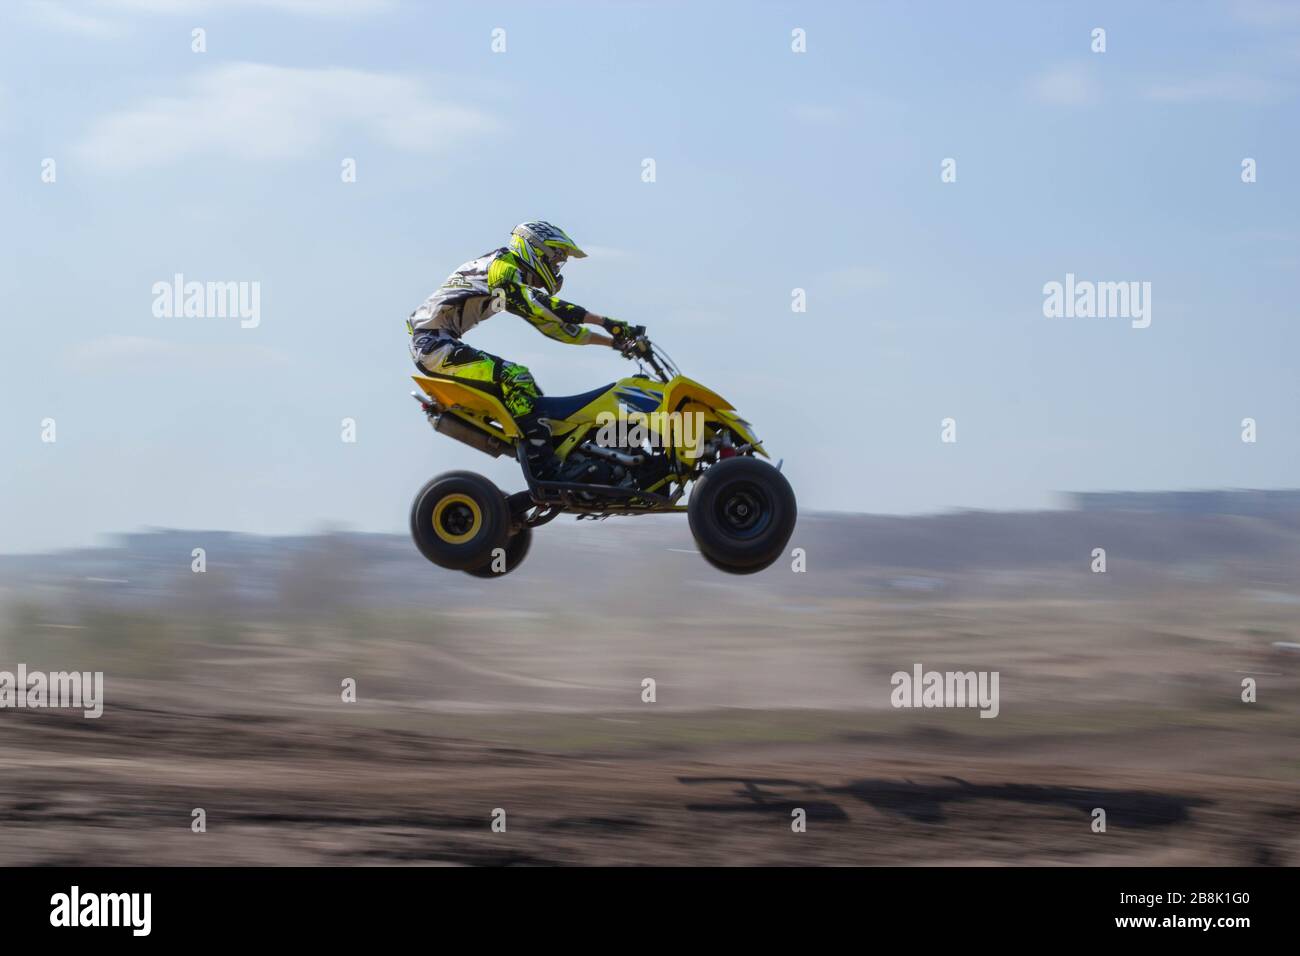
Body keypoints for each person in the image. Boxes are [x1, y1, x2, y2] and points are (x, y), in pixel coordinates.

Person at [407, 221, 642, 478]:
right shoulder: (500, 267)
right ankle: (545, 471)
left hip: (440, 342)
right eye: (556, 258)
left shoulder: (509, 278)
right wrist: (606, 323)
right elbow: (539, 305)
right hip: (432, 343)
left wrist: (613, 342)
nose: (557, 266)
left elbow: (554, 327)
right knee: (516, 376)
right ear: (536, 249)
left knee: (533, 398)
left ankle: (564, 463)